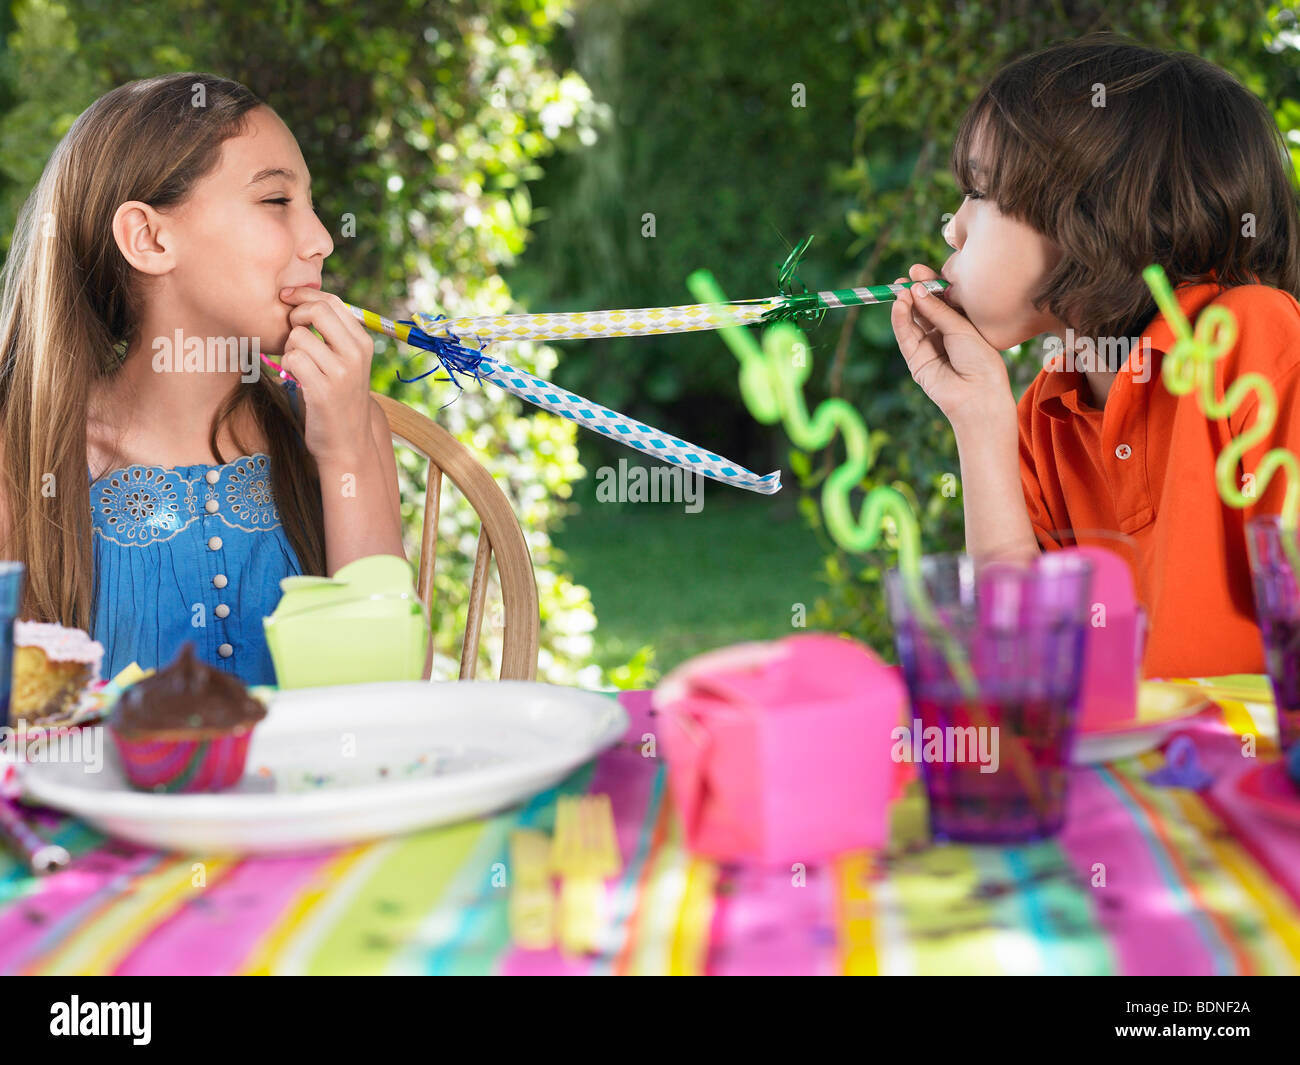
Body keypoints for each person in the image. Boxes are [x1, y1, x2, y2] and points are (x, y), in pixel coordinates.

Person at [891, 33, 1300, 679]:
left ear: (1095, 217)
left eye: (979, 191)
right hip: (1137, 778)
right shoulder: (1044, 414)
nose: (951, 227)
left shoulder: (1250, 337)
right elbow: (1026, 668)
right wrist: (977, 418)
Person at [0, 72, 405, 686]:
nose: (321, 240)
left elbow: (388, 697)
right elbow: (26, 733)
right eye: (276, 202)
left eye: (313, 206)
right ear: (151, 238)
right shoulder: (25, 457)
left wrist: (347, 456)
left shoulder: (346, 428)